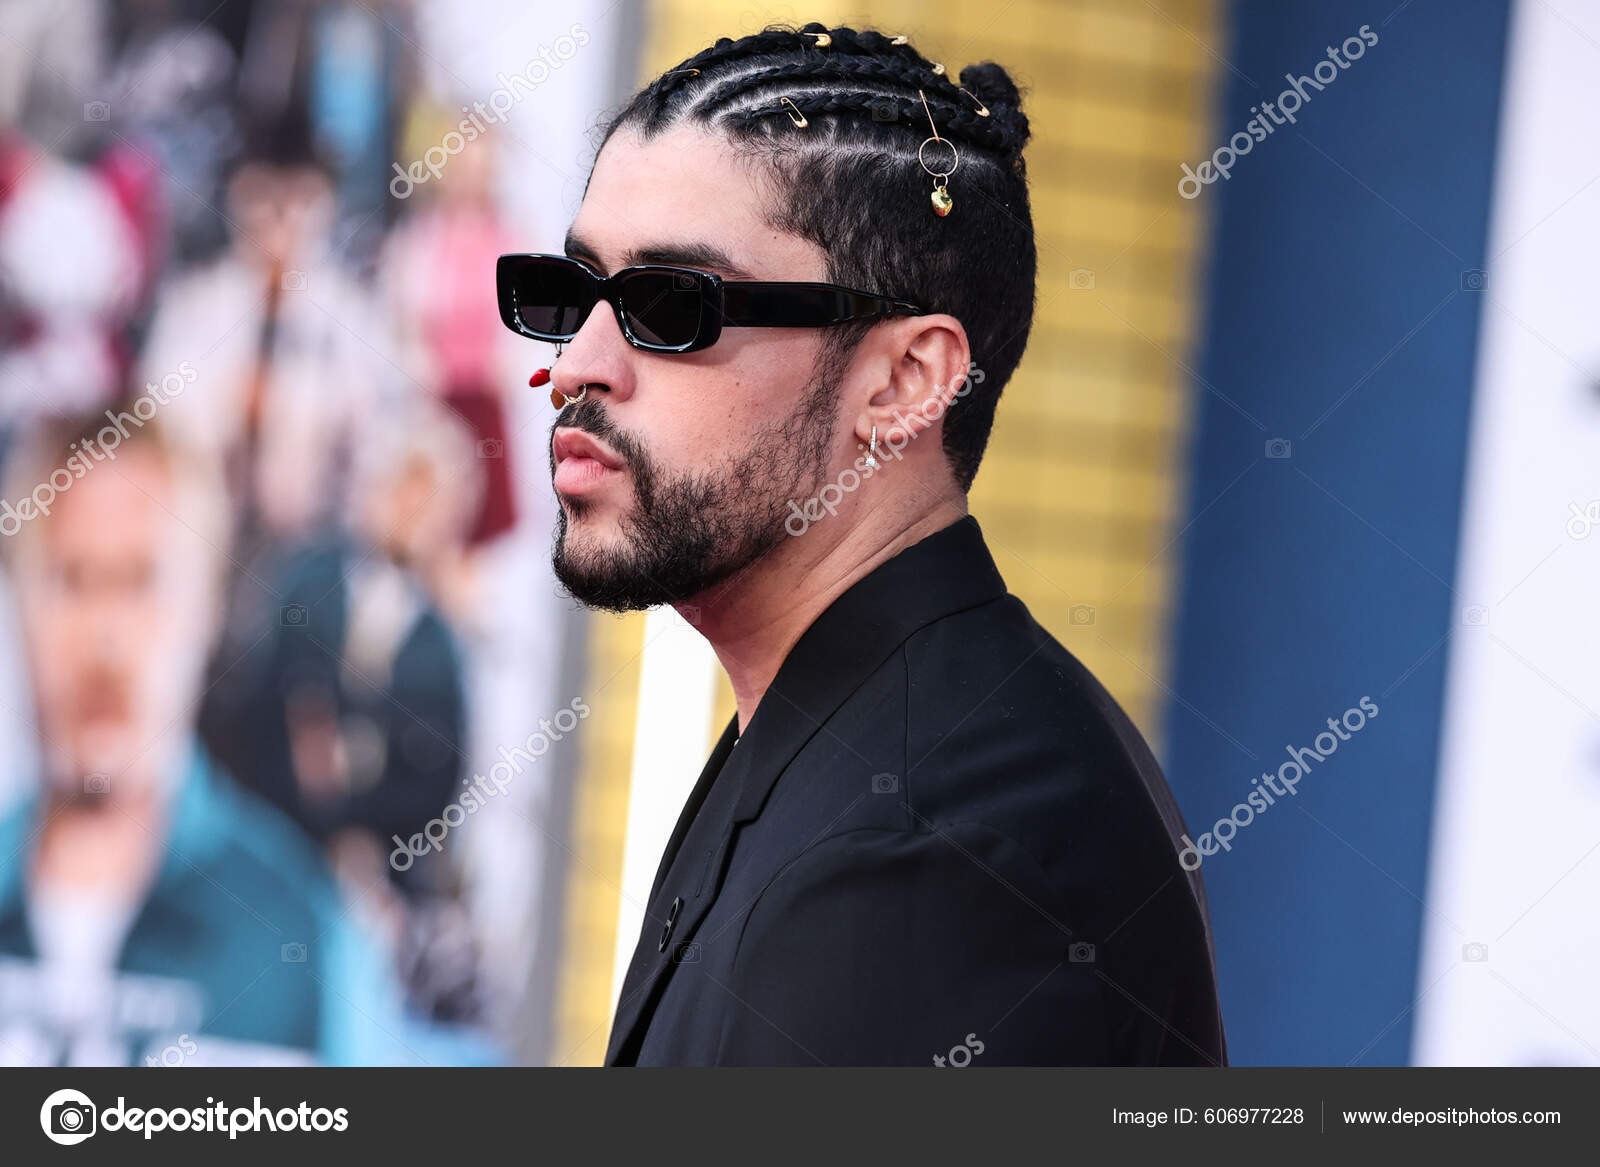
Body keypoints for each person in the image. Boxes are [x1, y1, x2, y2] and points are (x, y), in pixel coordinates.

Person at [496, 22, 1226, 1067]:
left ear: (904, 382)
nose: (578, 364)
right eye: (572, 295)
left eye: (670, 305)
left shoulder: (930, 846)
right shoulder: (838, 729)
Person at [0, 411, 411, 1065]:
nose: (105, 640)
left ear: (208, 607)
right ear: (18, 599)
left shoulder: (302, 938)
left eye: (143, 580)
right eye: (70, 578)